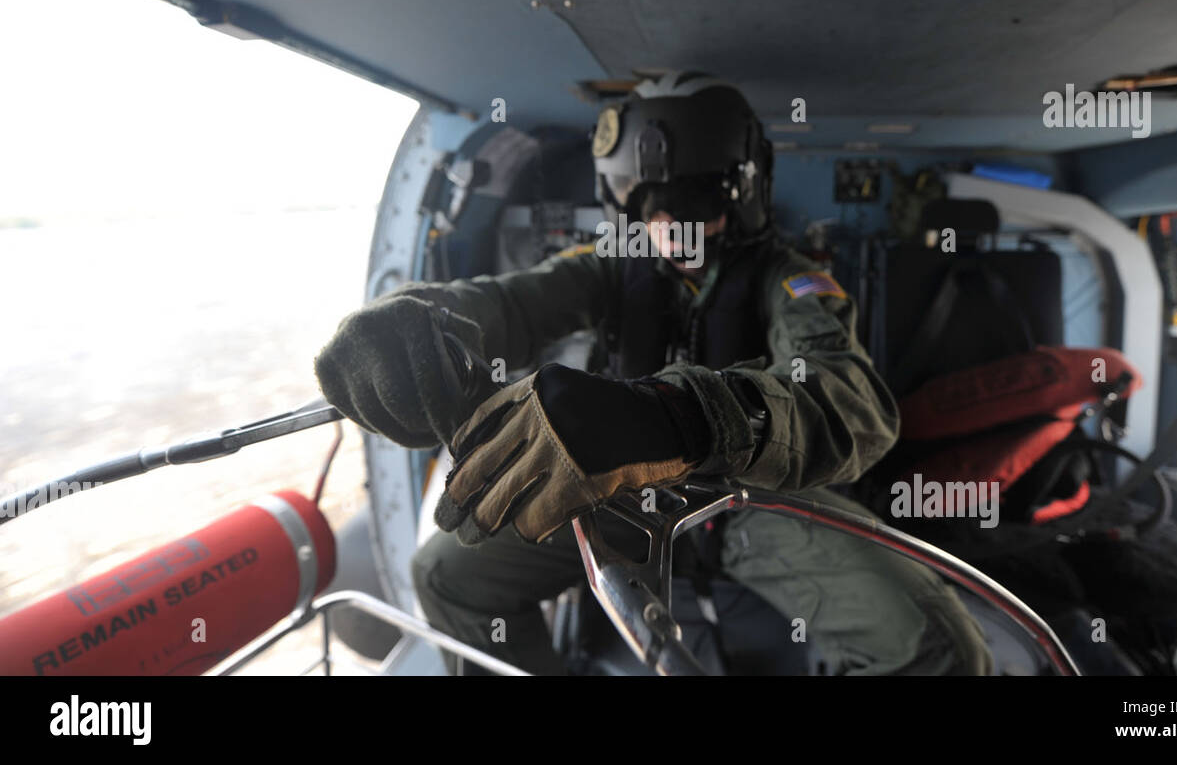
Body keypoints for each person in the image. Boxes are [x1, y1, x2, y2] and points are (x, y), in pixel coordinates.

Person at [313, 71, 993, 675]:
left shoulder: (793, 282)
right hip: (616, 494)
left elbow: (853, 407)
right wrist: (413, 321)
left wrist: (677, 416)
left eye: (690, 202)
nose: (669, 224)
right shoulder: (609, 267)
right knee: (445, 576)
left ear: (740, 194)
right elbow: (509, 303)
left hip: (753, 501)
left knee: (937, 650)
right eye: (646, 203)